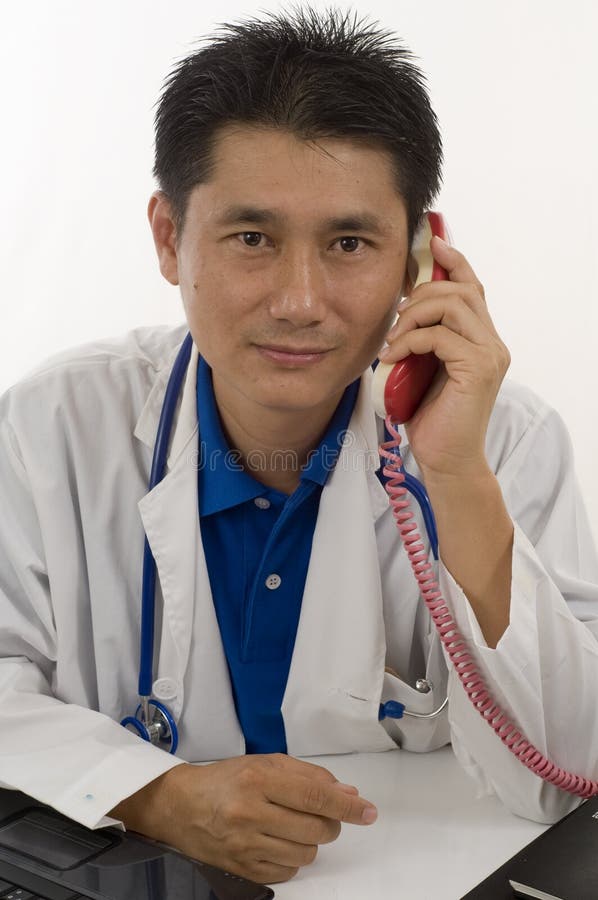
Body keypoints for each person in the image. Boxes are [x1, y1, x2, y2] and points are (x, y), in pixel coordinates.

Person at [1, 7, 598, 887]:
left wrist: (459, 479)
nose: (300, 300)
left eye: (350, 243)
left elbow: (563, 775)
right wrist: (152, 793)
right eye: (253, 238)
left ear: (419, 259)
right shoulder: (52, 425)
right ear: (169, 237)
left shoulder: (500, 443)